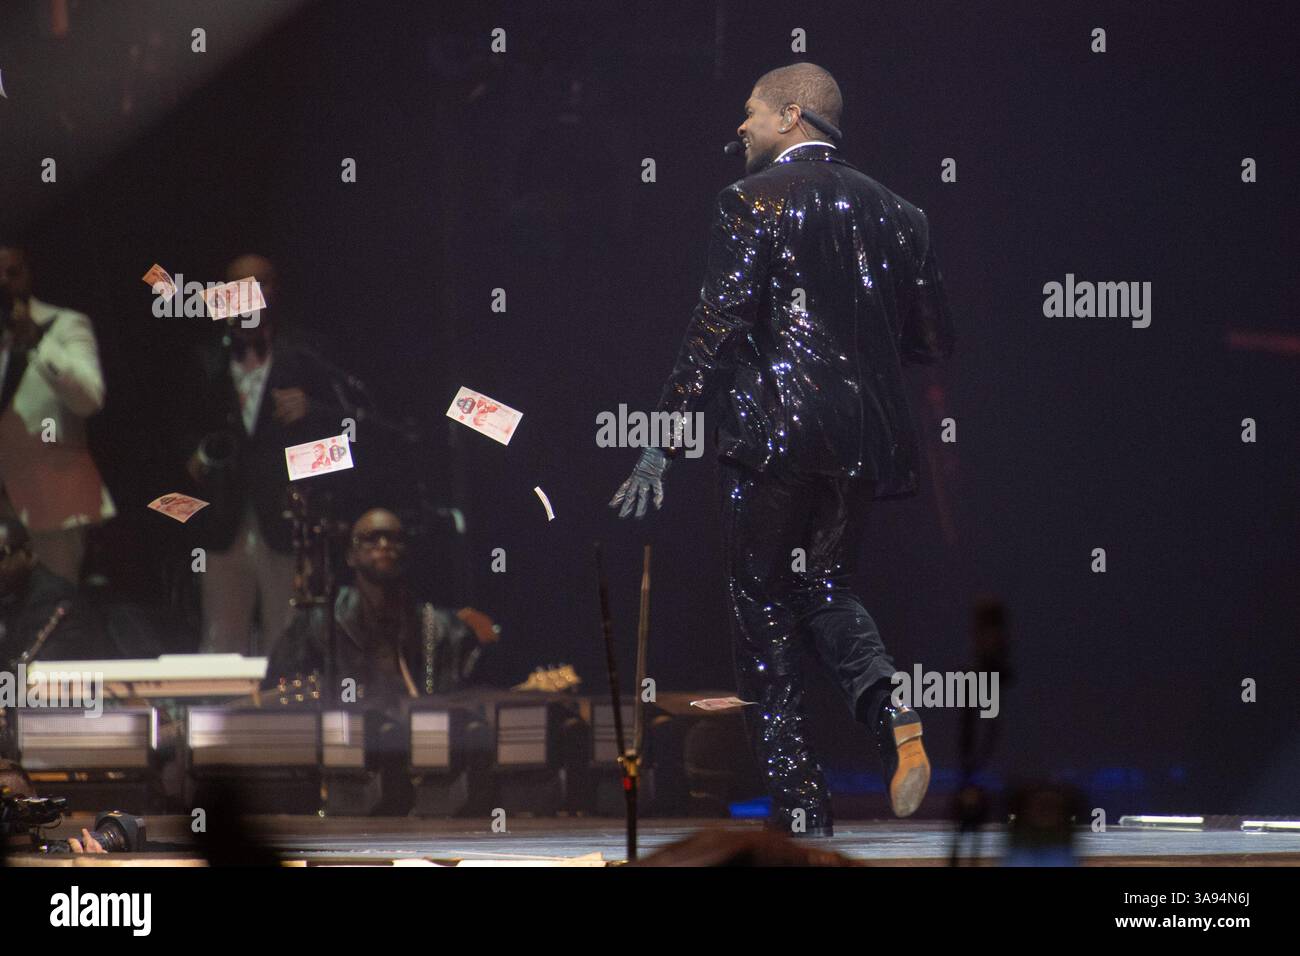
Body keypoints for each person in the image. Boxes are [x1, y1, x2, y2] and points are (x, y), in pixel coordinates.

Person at [610, 63, 954, 837]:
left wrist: (659, 446)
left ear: (791, 116)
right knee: (823, 584)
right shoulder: (905, 214)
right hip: (863, 441)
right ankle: (891, 706)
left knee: (760, 608)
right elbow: (934, 341)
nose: (739, 128)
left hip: (774, 436)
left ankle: (801, 812)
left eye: (750, 114)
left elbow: (716, 326)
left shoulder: (749, 200)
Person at [265, 508, 498, 815]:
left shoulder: (442, 629)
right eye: (371, 538)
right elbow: (276, 698)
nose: (384, 544)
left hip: (428, 789)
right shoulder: (318, 624)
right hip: (342, 785)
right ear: (350, 555)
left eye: (394, 538)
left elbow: (467, 706)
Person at [180, 254, 345, 656]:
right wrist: (193, 455)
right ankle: (215, 718)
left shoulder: (307, 353)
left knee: (286, 633)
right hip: (224, 516)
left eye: (254, 287)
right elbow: (178, 426)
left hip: (287, 515)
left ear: (273, 290)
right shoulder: (207, 358)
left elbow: (347, 439)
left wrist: (313, 411)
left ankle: (284, 714)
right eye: (232, 290)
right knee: (221, 633)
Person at [0, 243, 115, 585]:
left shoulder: (64, 325)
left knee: (59, 609)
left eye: (12, 273)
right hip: (4, 503)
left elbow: (90, 400)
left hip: (57, 502)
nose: (3, 282)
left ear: (28, 275)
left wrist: (37, 342)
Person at [0, 516, 102, 667]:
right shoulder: (11, 594)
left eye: (1, 555)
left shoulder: (52, 598)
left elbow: (38, 671)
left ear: (27, 552)